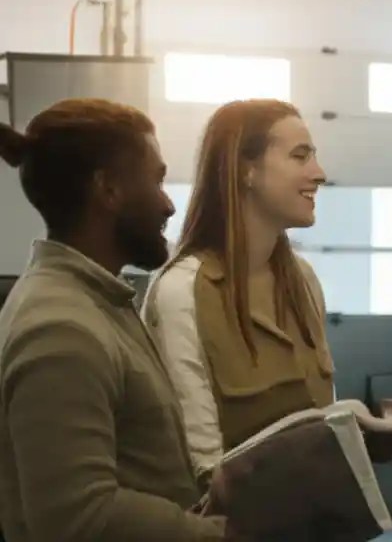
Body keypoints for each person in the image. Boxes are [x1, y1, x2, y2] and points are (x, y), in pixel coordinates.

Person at [0, 99, 230, 541]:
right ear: (108, 190)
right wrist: (219, 535)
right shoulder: (60, 327)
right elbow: (80, 516)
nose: (168, 205)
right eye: (157, 180)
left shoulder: (96, 303)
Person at [142, 99, 334, 487]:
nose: (319, 174)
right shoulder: (182, 291)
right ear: (246, 170)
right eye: (300, 157)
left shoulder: (304, 281)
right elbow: (202, 467)